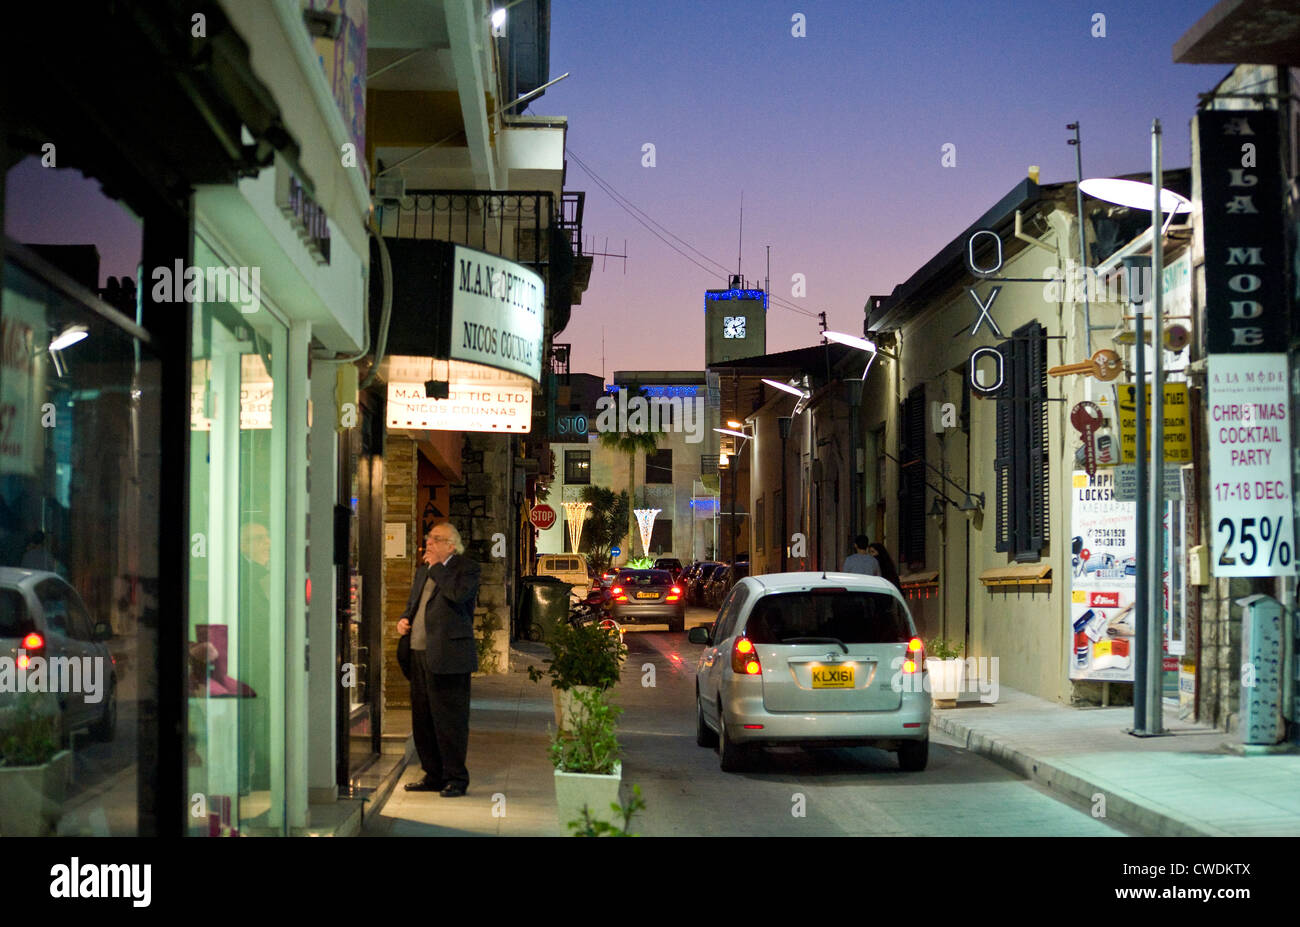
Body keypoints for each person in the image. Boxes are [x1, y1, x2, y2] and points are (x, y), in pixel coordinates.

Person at [396, 522, 481, 797]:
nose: (428, 543)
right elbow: (413, 606)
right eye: (428, 538)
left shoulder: (466, 569)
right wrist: (404, 620)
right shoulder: (423, 572)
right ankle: (432, 774)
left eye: (435, 539)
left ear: (451, 545)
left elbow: (457, 595)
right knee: (423, 721)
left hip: (449, 658)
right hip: (419, 655)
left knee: (450, 721)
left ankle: (456, 778)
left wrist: (436, 568)